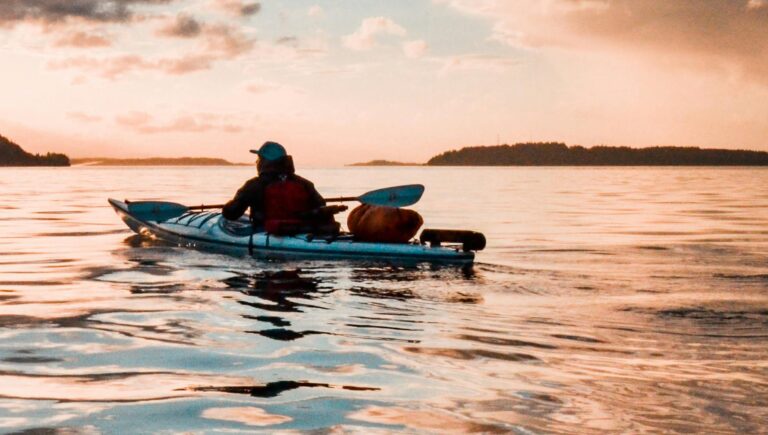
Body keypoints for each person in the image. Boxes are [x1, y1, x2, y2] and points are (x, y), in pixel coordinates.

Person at [222, 141, 340, 235]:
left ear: (264, 162)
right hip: (303, 231)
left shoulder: (254, 185)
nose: (257, 162)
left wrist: (228, 205)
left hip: (265, 232)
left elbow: (231, 214)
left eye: (258, 159)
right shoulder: (304, 183)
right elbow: (321, 207)